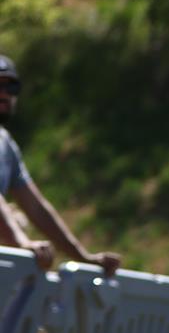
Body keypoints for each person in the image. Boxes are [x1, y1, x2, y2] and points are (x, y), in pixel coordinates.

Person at [0, 53, 121, 276]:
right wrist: (22, 243)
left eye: (11, 88)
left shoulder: (5, 145)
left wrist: (83, 257)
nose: (4, 94)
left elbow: (37, 208)